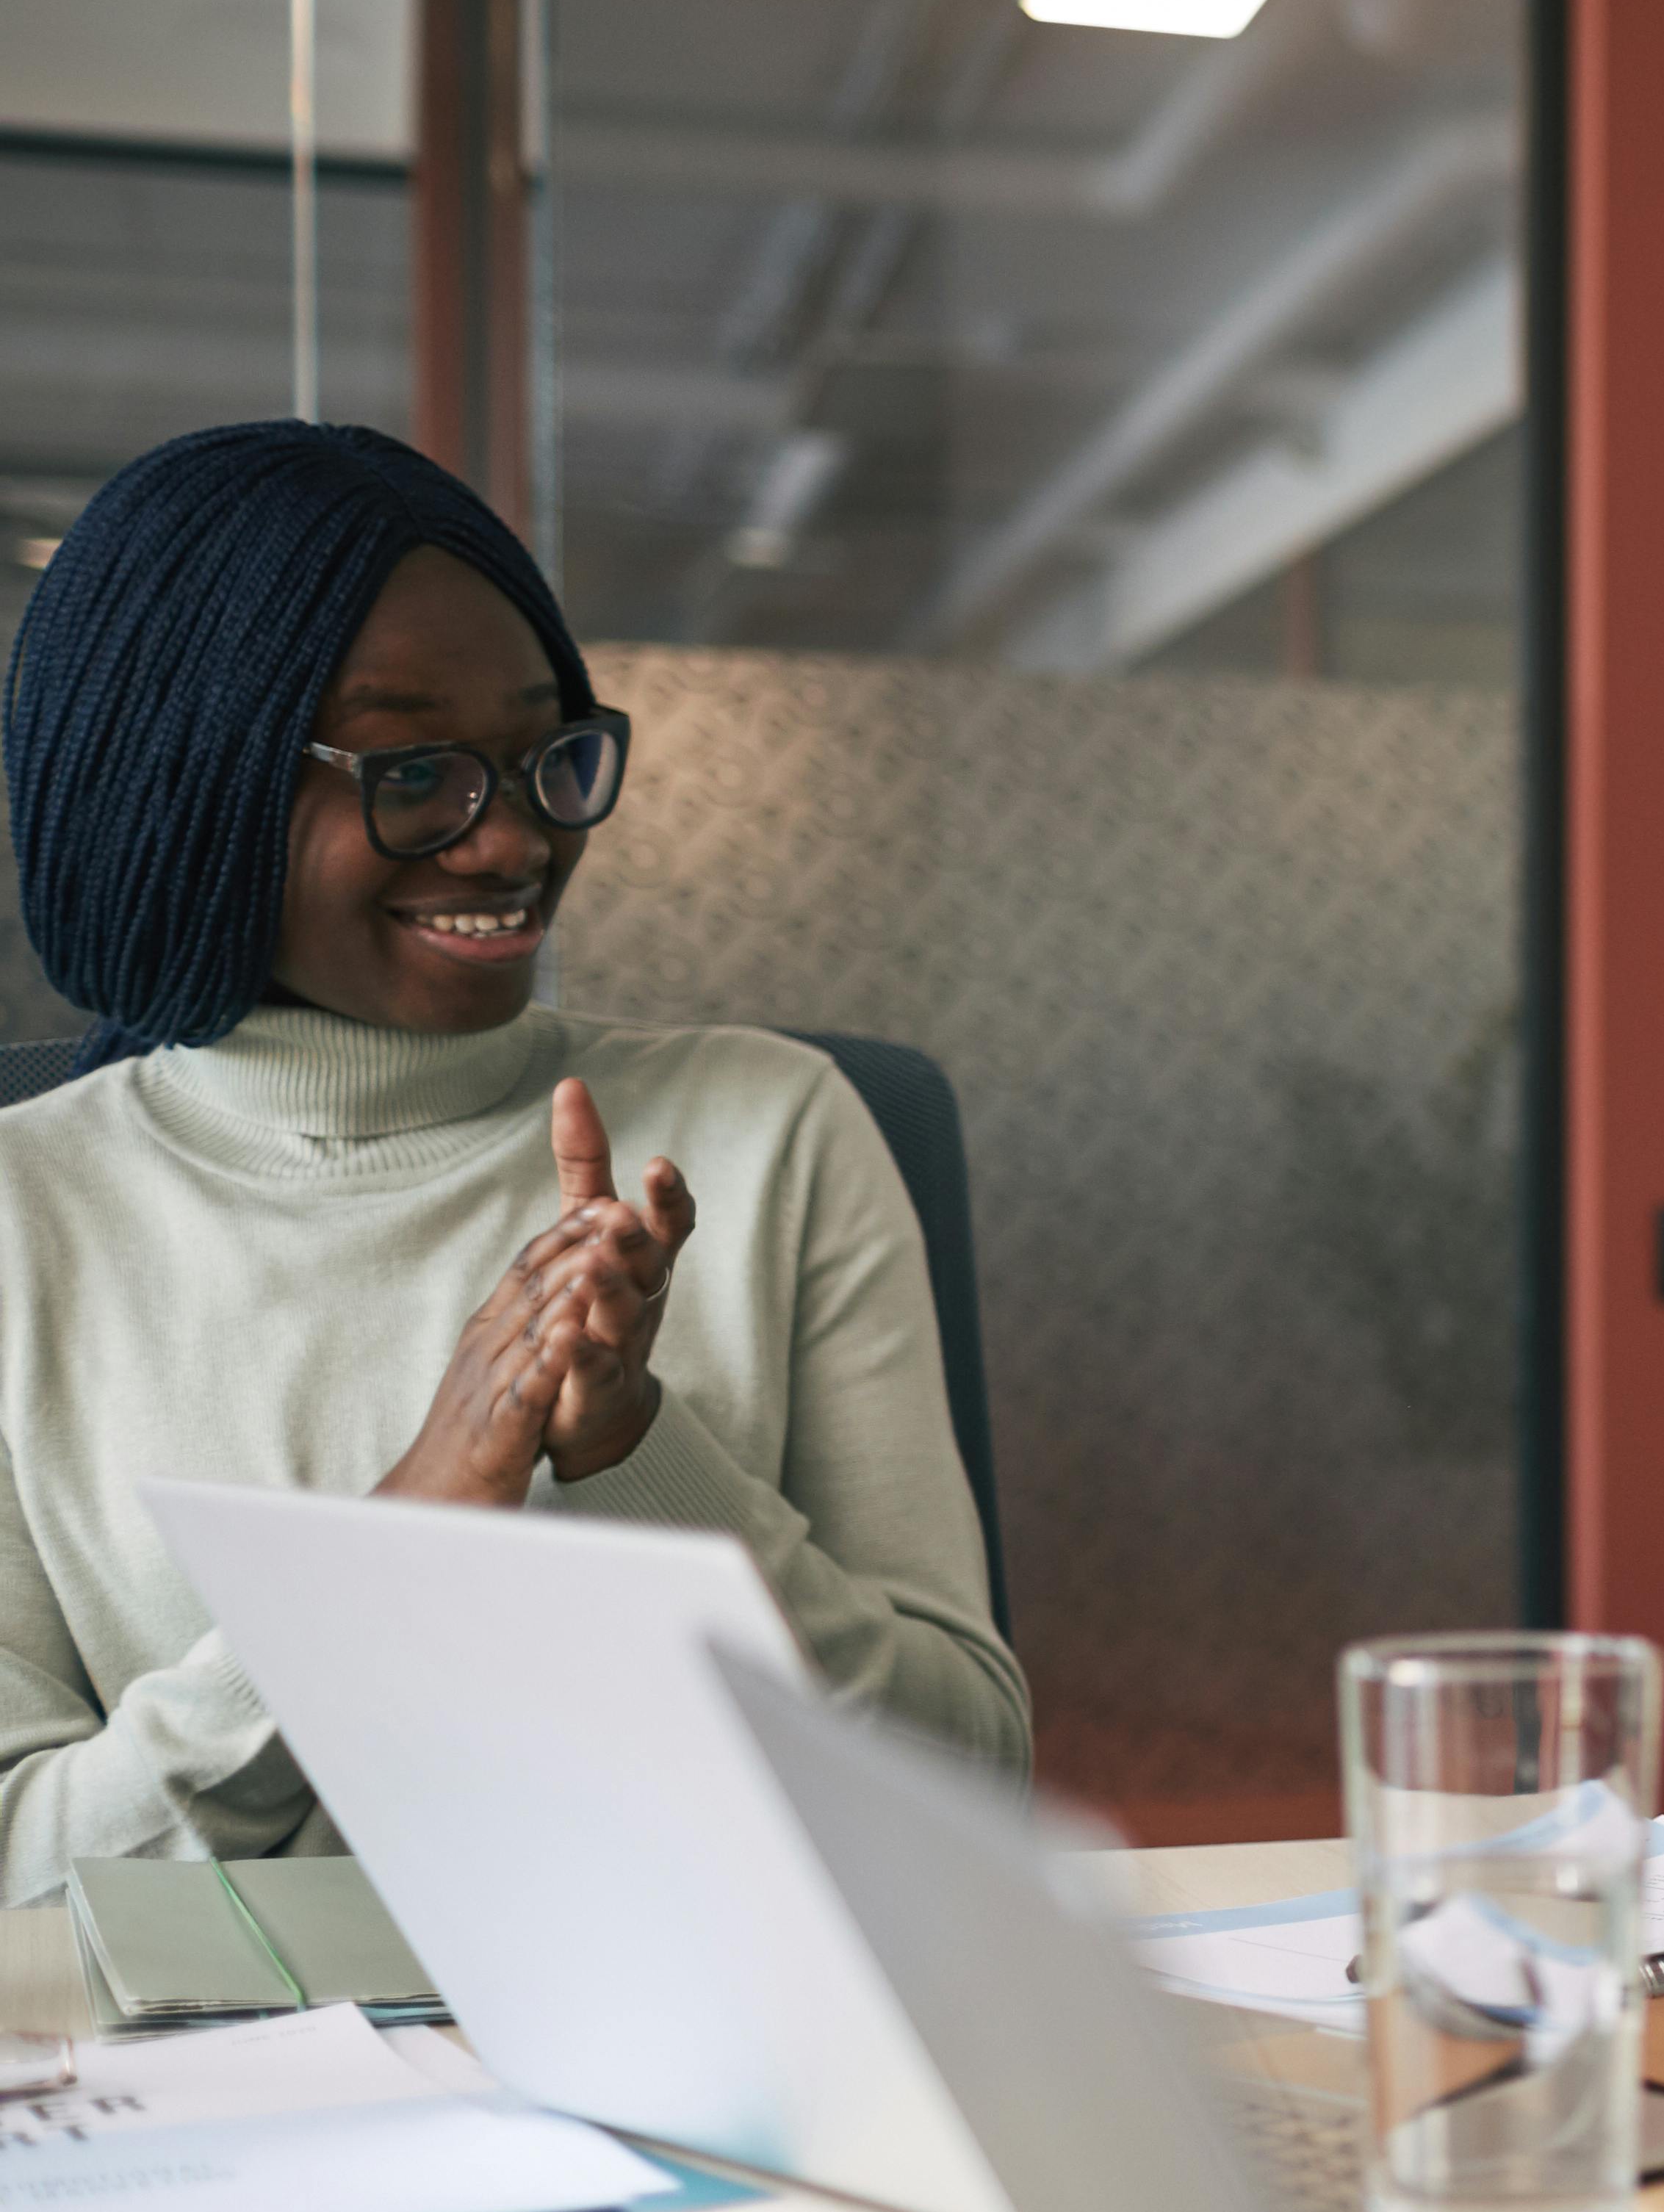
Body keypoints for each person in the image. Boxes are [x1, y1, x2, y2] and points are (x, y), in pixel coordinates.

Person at [0, 422, 1029, 1901]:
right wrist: (393, 1550)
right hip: (236, 2046)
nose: (510, 844)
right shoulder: (25, 1219)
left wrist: (639, 1453)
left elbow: (969, 1780)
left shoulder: (773, 1126)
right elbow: (21, 1875)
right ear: (189, 780)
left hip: (727, 2015)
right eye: (417, 770)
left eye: (544, 756)